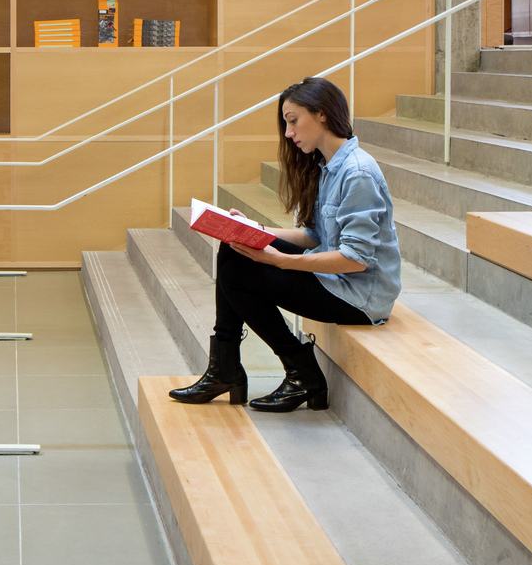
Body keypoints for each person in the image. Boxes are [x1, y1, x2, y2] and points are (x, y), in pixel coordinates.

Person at [169, 76, 400, 412]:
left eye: (293, 121)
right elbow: (313, 237)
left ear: (321, 114)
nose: (289, 133)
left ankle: (298, 371)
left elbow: (355, 259)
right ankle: (225, 368)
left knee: (238, 274)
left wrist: (281, 260)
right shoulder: (327, 166)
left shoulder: (357, 173)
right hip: (337, 279)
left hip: (359, 296)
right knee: (233, 247)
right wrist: (253, 229)